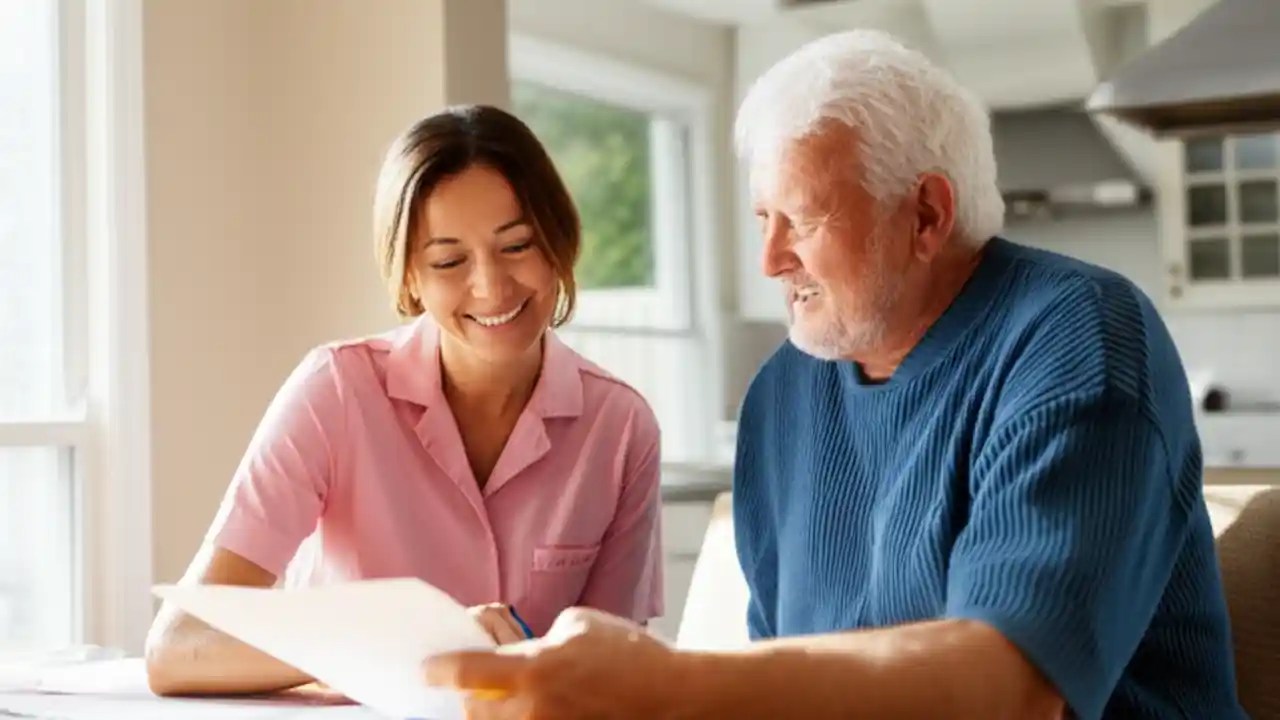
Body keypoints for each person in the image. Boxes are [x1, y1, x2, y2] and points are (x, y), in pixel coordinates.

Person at [424, 31, 1246, 720]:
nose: (771, 259)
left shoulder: (1078, 336)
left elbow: (1017, 687)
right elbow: (788, 675)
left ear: (926, 214)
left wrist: (664, 683)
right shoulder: (785, 392)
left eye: (804, 219)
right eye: (762, 219)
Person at [144, 105, 664, 696]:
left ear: (559, 242)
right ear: (410, 277)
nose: (492, 287)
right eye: (448, 261)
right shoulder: (334, 392)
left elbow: (619, 677)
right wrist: (404, 643)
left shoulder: (621, 428)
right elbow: (177, 649)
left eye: (518, 245)